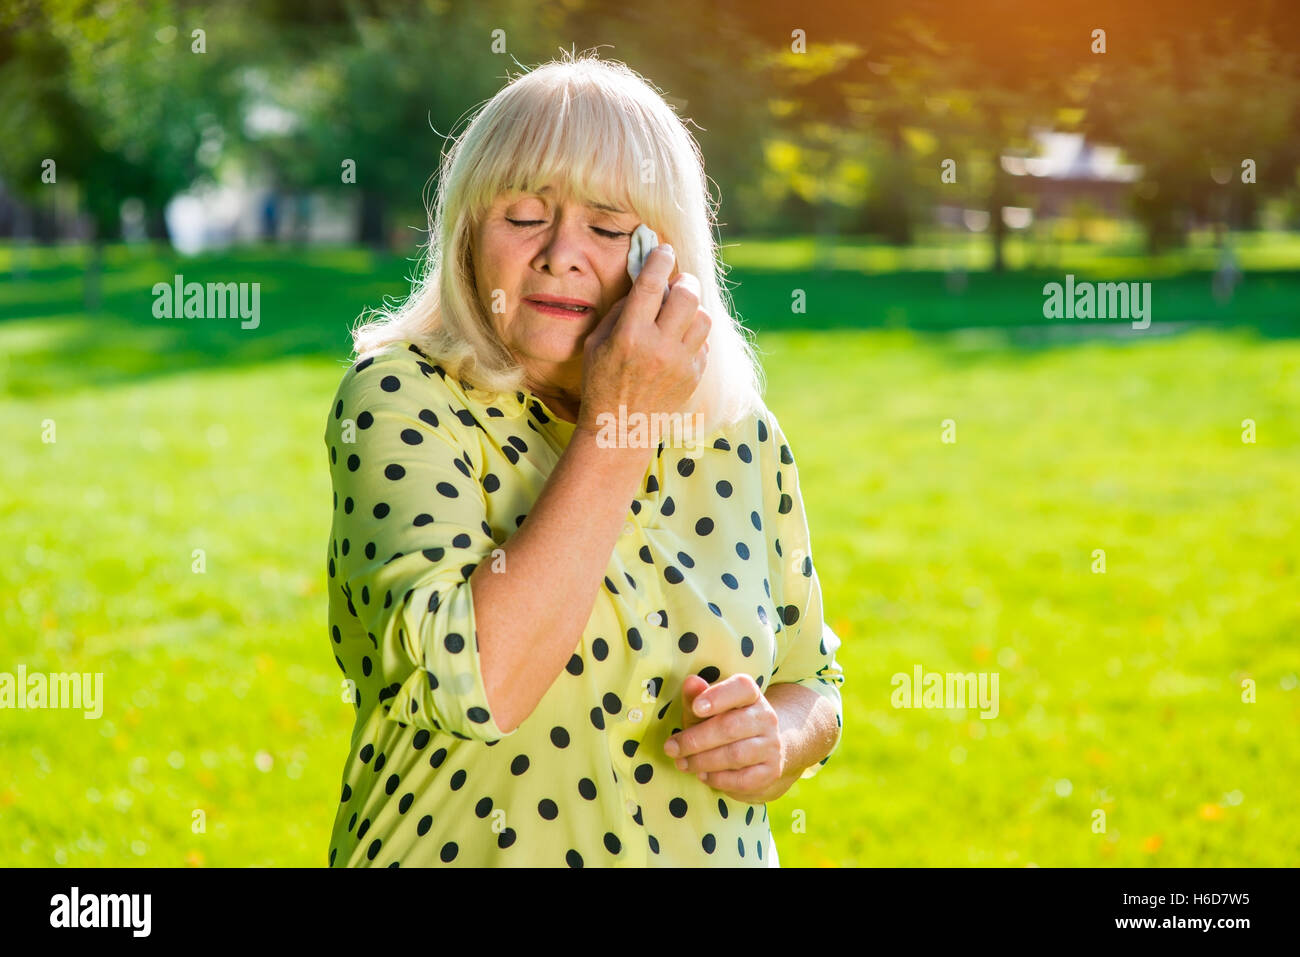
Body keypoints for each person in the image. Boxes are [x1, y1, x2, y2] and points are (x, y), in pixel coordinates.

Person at [323, 52, 844, 867]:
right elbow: (475, 686)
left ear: (665, 257)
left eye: (607, 227)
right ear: (466, 232)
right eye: (525, 215)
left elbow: (814, 678)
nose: (562, 253)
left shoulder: (743, 434)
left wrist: (779, 737)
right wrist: (621, 421)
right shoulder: (401, 397)